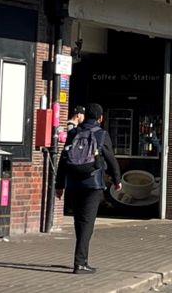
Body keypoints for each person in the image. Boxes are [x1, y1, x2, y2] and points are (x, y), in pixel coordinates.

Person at [55, 103, 121, 274]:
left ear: (85, 117)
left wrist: (59, 184)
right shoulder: (101, 134)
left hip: (74, 183)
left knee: (79, 222)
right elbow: (111, 159)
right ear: (100, 118)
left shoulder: (73, 133)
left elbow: (63, 159)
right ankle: (80, 263)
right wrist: (117, 180)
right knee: (87, 224)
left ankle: (81, 257)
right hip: (93, 184)